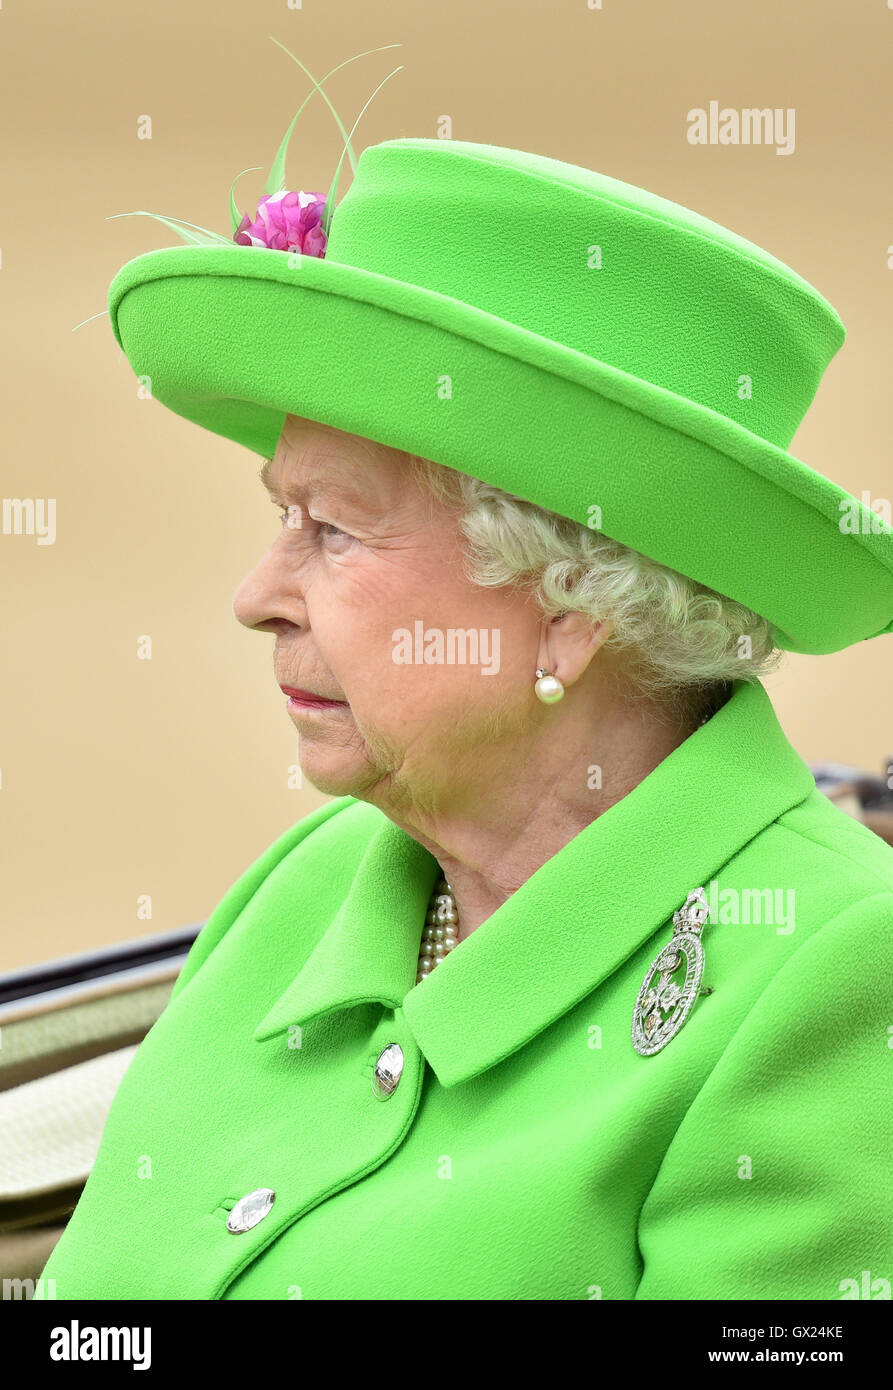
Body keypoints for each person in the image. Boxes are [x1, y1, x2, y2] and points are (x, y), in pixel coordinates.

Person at [36, 76, 893, 1300]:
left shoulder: (835, 973)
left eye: (331, 529)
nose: (256, 593)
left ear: (568, 608)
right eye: (281, 512)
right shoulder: (307, 888)